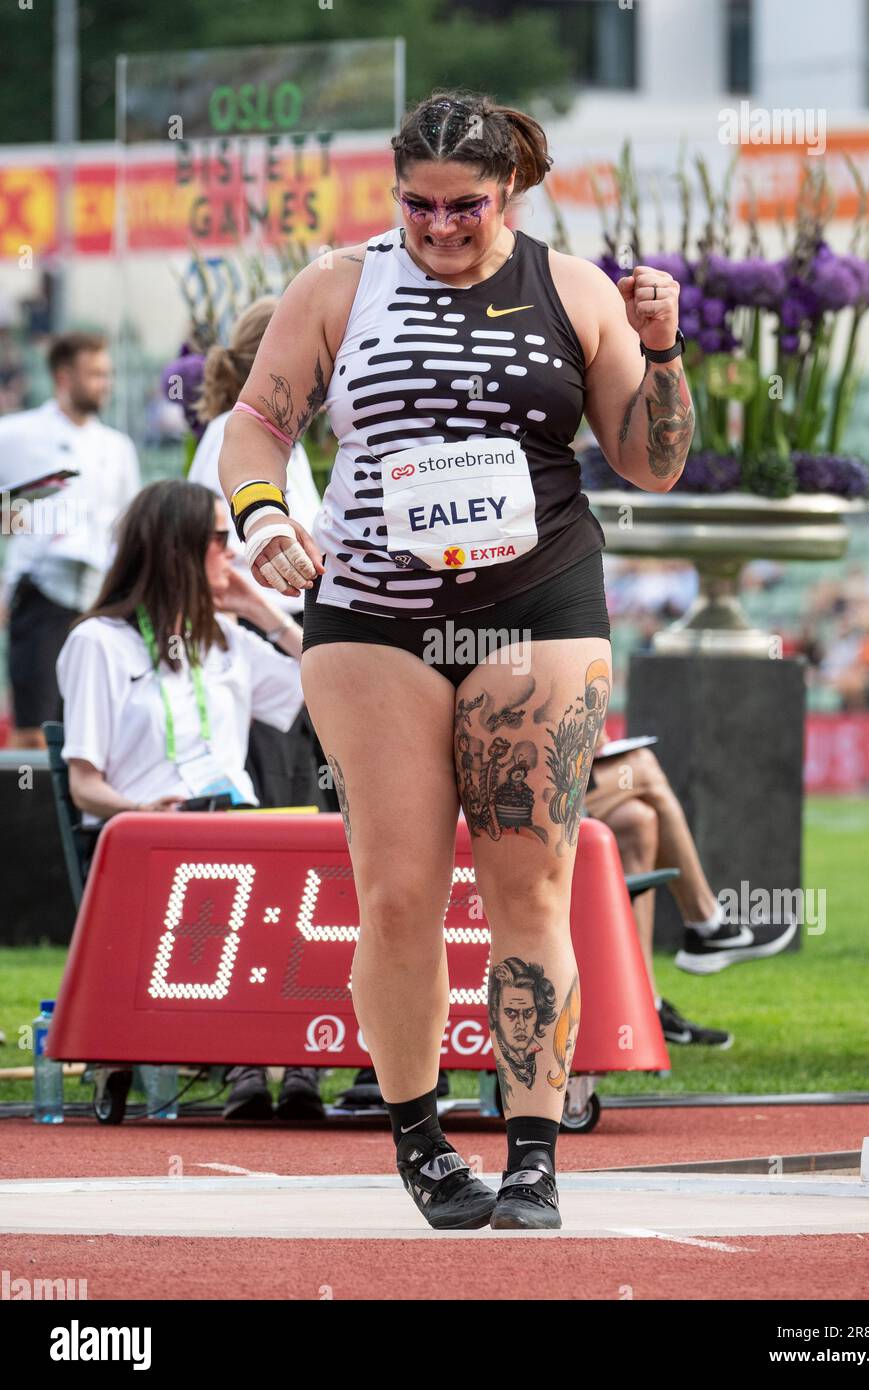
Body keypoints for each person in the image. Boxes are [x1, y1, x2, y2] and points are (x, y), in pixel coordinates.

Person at [217, 89, 696, 1230]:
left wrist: (666, 347)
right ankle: (424, 1143)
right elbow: (258, 422)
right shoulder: (339, 283)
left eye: (463, 207)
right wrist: (265, 516)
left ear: (511, 192)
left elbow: (654, 460)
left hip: (536, 603)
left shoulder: (570, 287)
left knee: (529, 884)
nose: (437, 227)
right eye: (417, 205)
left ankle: (533, 1154)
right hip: (372, 613)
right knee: (396, 894)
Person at [55, 478, 323, 1121]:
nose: (230, 556)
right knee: (237, 863)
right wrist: (140, 814)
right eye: (220, 540)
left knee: (322, 859)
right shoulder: (99, 643)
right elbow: (82, 784)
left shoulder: (224, 640)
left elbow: (326, 686)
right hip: (152, 840)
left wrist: (267, 616)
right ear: (177, 548)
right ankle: (245, 1065)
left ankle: (305, 1067)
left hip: (240, 830)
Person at [187, 296, 333, 812]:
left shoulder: (279, 441)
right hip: (261, 634)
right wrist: (278, 627)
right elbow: (217, 568)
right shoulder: (236, 439)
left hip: (284, 631)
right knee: (288, 795)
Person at [584, 742, 797, 1049]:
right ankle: (708, 925)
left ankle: (644, 1007)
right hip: (518, 799)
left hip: (545, 781)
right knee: (640, 766)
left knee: (636, 821)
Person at [0, 333, 140, 749]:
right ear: (64, 377)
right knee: (33, 729)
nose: (106, 384)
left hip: (99, 600)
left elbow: (128, 526)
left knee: (87, 727)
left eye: (107, 374)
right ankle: (27, 814)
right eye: (95, 375)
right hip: (41, 595)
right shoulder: (17, 434)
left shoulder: (118, 447)